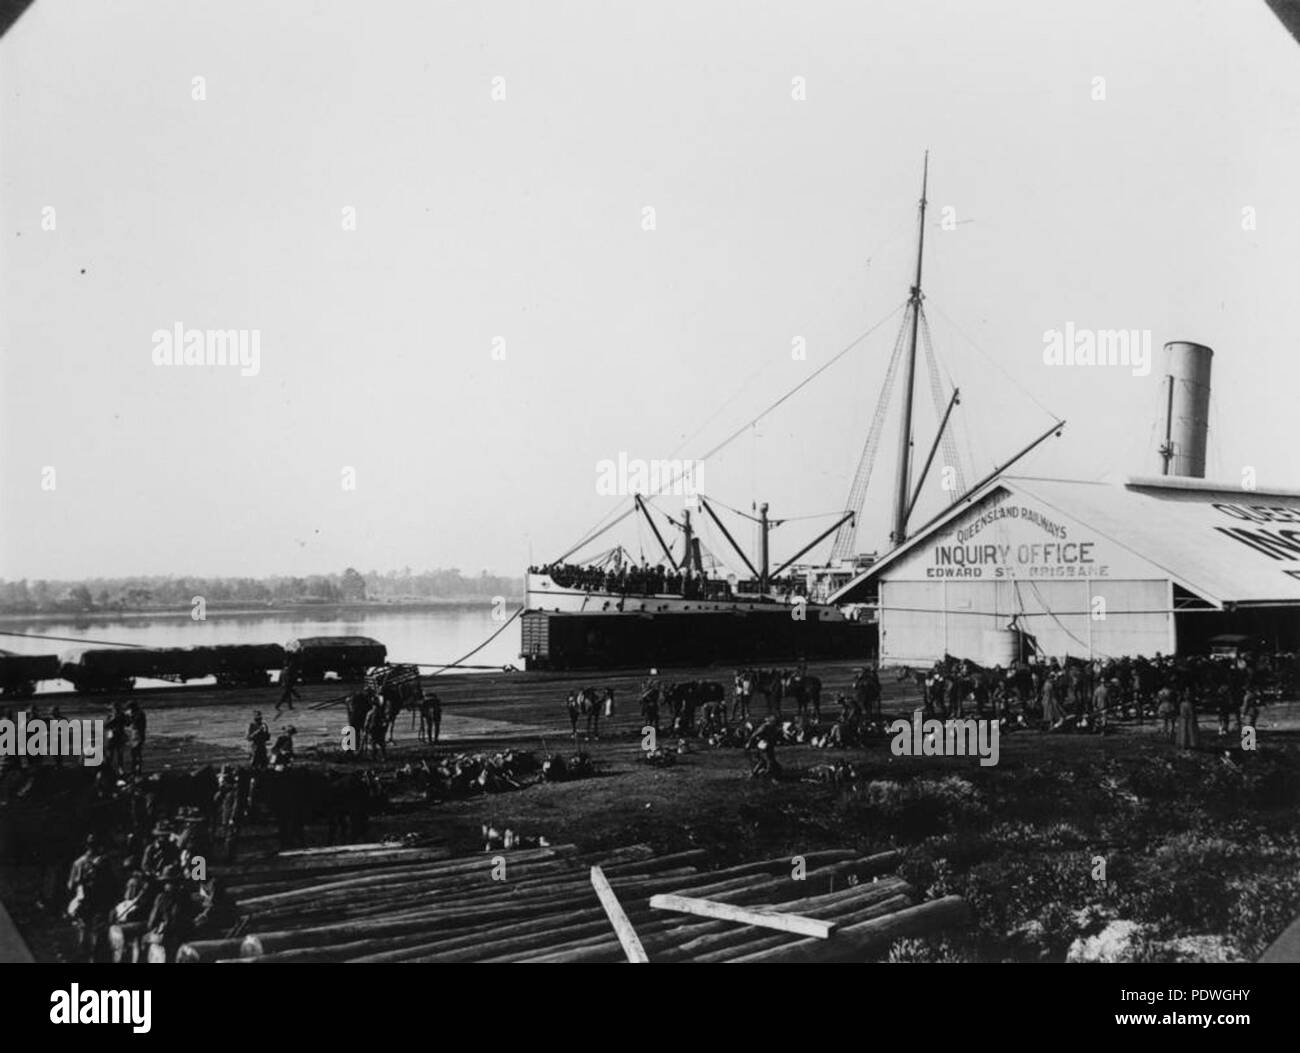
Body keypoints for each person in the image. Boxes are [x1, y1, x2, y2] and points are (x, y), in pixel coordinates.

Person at [67, 834, 118, 962]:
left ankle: (84, 956)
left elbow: (70, 885)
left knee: (84, 931)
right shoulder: (104, 862)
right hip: (100, 903)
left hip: (84, 903)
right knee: (98, 934)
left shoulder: (78, 863)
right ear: (99, 847)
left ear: (86, 846)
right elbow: (112, 884)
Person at [126, 700, 146, 775]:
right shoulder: (139, 713)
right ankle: (135, 768)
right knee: (135, 753)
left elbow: (134, 722)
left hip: (138, 734)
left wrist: (130, 716)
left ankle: (137, 768)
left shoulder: (139, 713)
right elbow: (128, 724)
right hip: (134, 734)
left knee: (136, 752)